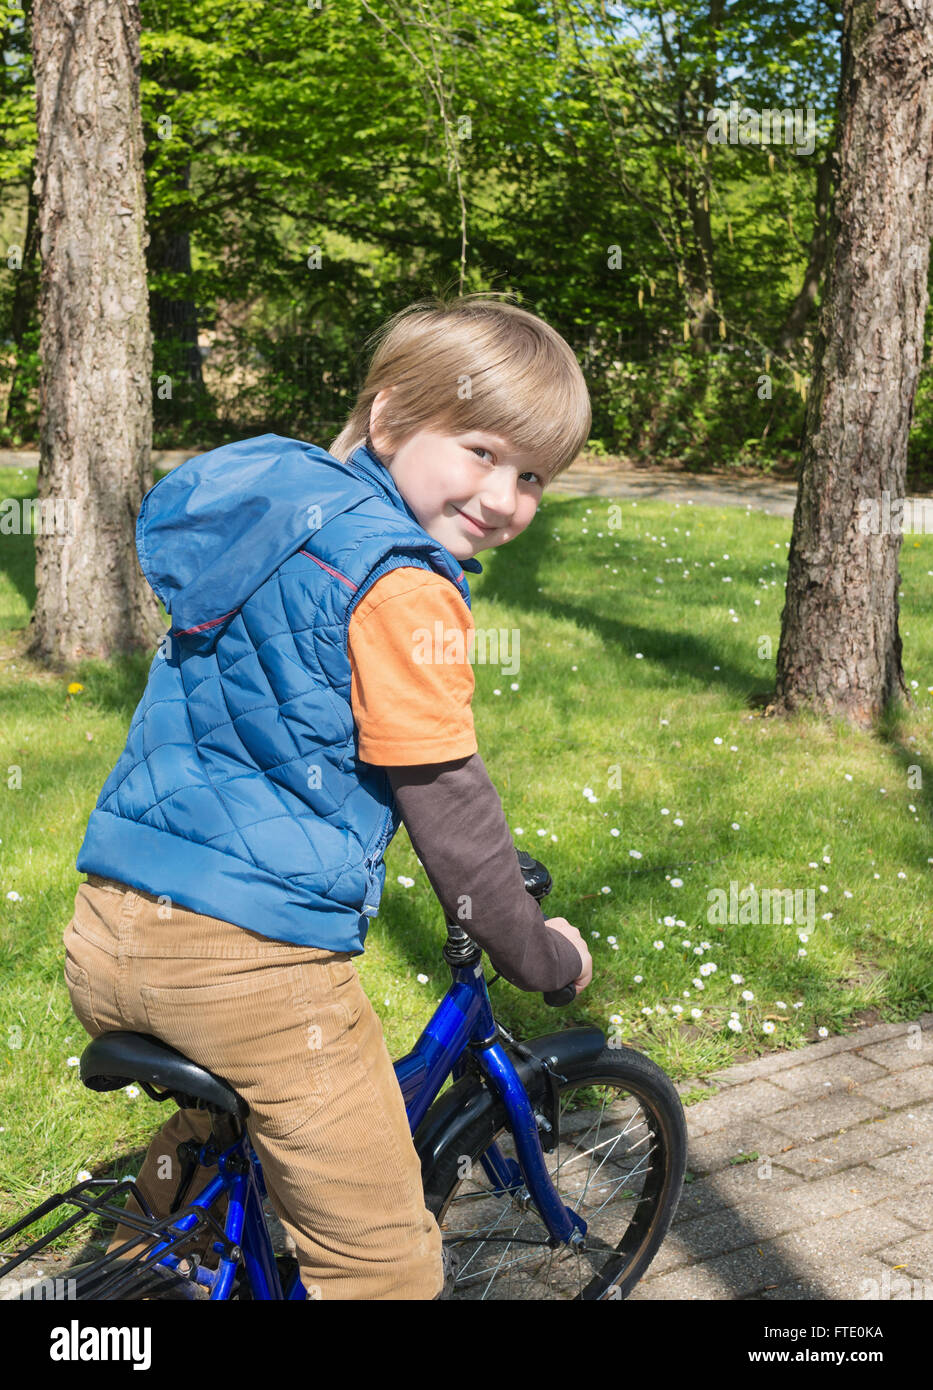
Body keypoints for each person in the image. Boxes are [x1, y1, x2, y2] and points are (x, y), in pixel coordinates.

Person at [62, 292, 594, 1300]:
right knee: (383, 1257)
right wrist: (541, 954)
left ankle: (140, 1265)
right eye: (481, 451)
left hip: (111, 926)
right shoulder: (403, 583)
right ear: (389, 419)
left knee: (229, 1129)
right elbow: (447, 800)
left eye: (533, 475)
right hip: (248, 970)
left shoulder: (280, 513)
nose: (506, 495)